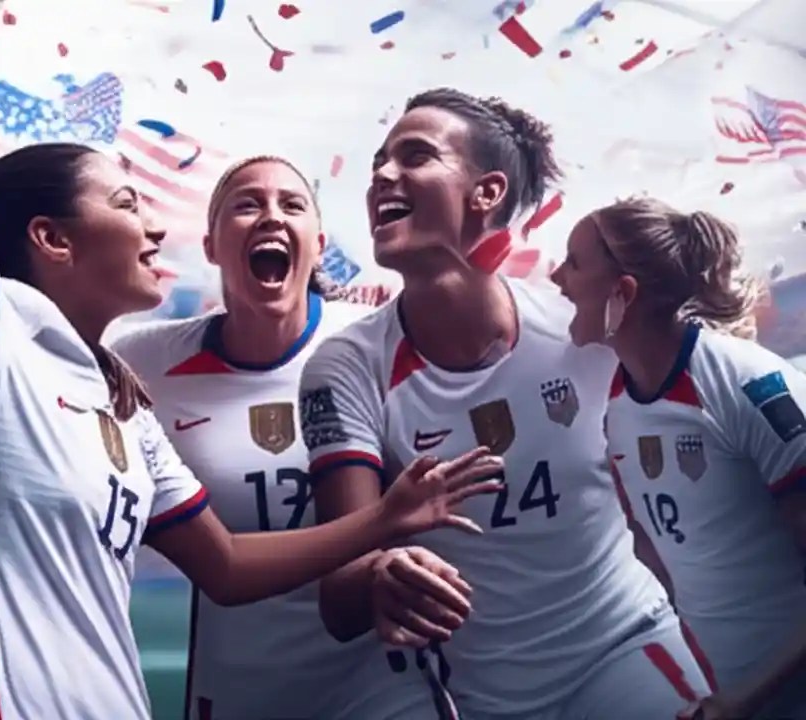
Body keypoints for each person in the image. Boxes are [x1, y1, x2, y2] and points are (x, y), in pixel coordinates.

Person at [0, 3, 503, 718]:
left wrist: (387, 519)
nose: (155, 225)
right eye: (128, 202)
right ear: (51, 238)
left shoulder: (120, 398)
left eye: (294, 205)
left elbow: (226, 565)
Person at [299, 87, 713, 719]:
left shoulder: (586, 324)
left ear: (485, 192)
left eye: (414, 156)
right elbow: (341, 599)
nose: (383, 174)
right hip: (486, 700)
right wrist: (385, 571)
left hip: (629, 652)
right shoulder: (348, 366)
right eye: (378, 161)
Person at [111, 156, 455, 720]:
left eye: (291, 205)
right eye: (248, 205)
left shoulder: (375, 342)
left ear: (317, 245)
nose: (271, 216)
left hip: (379, 686)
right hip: (239, 687)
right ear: (211, 246)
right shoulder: (143, 361)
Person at [552, 196, 806, 719]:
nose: (557, 277)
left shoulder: (749, 386)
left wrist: (748, 700)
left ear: (622, 294)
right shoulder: (616, 406)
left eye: (574, 263)